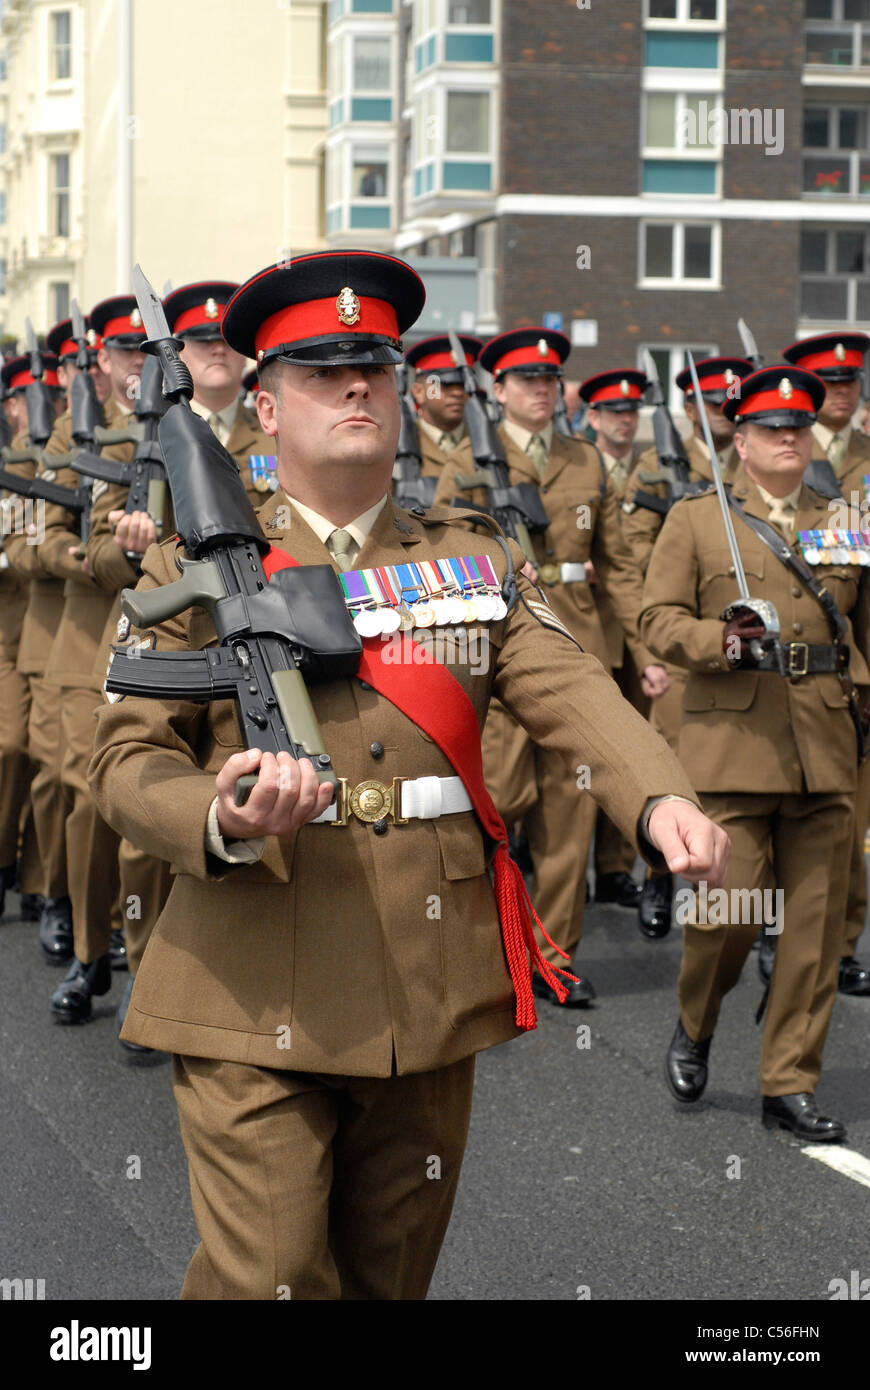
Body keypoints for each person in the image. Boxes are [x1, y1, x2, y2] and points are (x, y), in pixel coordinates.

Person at [88, 251, 728, 1299]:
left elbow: (572, 690)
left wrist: (660, 798)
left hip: (429, 980)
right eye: (319, 369)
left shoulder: (475, 561)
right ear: (265, 403)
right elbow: (122, 758)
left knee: (389, 1279)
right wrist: (221, 809)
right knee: (276, 1277)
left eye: (374, 367)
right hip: (251, 972)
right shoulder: (192, 562)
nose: (355, 388)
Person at [642, 365, 868, 1142]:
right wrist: (719, 642)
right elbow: (656, 620)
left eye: (799, 429)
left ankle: (788, 1083)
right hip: (735, 745)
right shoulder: (699, 519)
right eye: (772, 430)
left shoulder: (842, 515)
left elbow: (861, 625)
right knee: (729, 919)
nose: (789, 441)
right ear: (739, 440)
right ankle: (697, 1026)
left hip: (827, 745)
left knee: (813, 929)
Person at [437, 329, 669, 1008]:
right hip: (502, 658)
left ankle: (553, 957)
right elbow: (446, 562)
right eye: (525, 379)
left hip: (575, 646)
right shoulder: (467, 462)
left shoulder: (586, 460)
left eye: (549, 377)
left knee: (571, 818)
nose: (540, 388)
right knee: (499, 809)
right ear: (498, 389)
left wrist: (647, 654)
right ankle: (485, 947)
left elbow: (620, 568)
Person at [86, 281, 275, 1050]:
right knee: (152, 809)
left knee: (242, 802)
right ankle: (141, 967)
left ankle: (238, 977)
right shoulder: (147, 435)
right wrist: (130, 546)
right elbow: (100, 555)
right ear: (182, 360)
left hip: (253, 633)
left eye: (227, 341)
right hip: (165, 636)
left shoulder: (278, 438)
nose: (215, 353)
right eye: (199, 344)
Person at [622, 356, 754, 937]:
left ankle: (753, 910)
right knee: (672, 765)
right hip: (678, 645)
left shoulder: (764, 468)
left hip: (751, 645)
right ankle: (658, 876)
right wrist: (649, 656)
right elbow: (629, 568)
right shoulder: (657, 467)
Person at [782, 331, 870, 996]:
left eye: (850, 381)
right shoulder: (786, 463)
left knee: (848, 819)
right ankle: (776, 929)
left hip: (857, 666)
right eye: (829, 384)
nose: (842, 392)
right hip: (799, 664)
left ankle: (840, 944)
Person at [579, 368, 652, 910]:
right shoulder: (581, 466)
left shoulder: (655, 469)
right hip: (591, 620)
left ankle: (616, 866)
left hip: (642, 619)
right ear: (594, 419)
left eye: (631, 414)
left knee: (634, 744)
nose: (624, 422)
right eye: (613, 414)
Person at [405, 334, 482, 483]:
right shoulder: (399, 446)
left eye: (463, 385)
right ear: (419, 392)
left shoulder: (486, 444)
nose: (458, 393)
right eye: (445, 385)